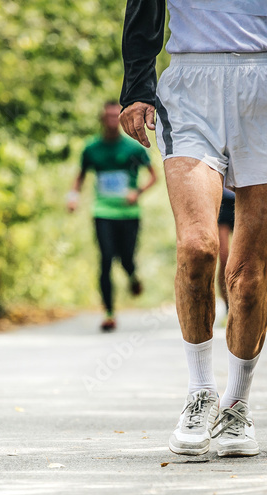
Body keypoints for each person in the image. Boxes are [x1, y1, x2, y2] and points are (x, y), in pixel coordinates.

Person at [119, 1, 267, 456]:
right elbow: (142, 14)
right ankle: (201, 393)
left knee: (246, 278)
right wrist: (136, 89)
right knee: (197, 249)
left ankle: (237, 406)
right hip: (190, 87)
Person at [68, 100, 158, 332]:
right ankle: (109, 313)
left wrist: (137, 192)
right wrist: (73, 196)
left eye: (114, 116)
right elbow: (80, 176)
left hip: (128, 213)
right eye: (106, 116)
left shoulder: (134, 149)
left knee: (126, 258)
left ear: (119, 119)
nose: (110, 120)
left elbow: (153, 177)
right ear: (101, 119)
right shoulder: (91, 149)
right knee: (106, 258)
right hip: (103, 211)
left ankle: (132, 276)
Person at [217, 187, 235, 311]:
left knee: (245, 259)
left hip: (245, 196)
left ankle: (241, 302)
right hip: (223, 202)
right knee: (224, 259)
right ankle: (227, 305)